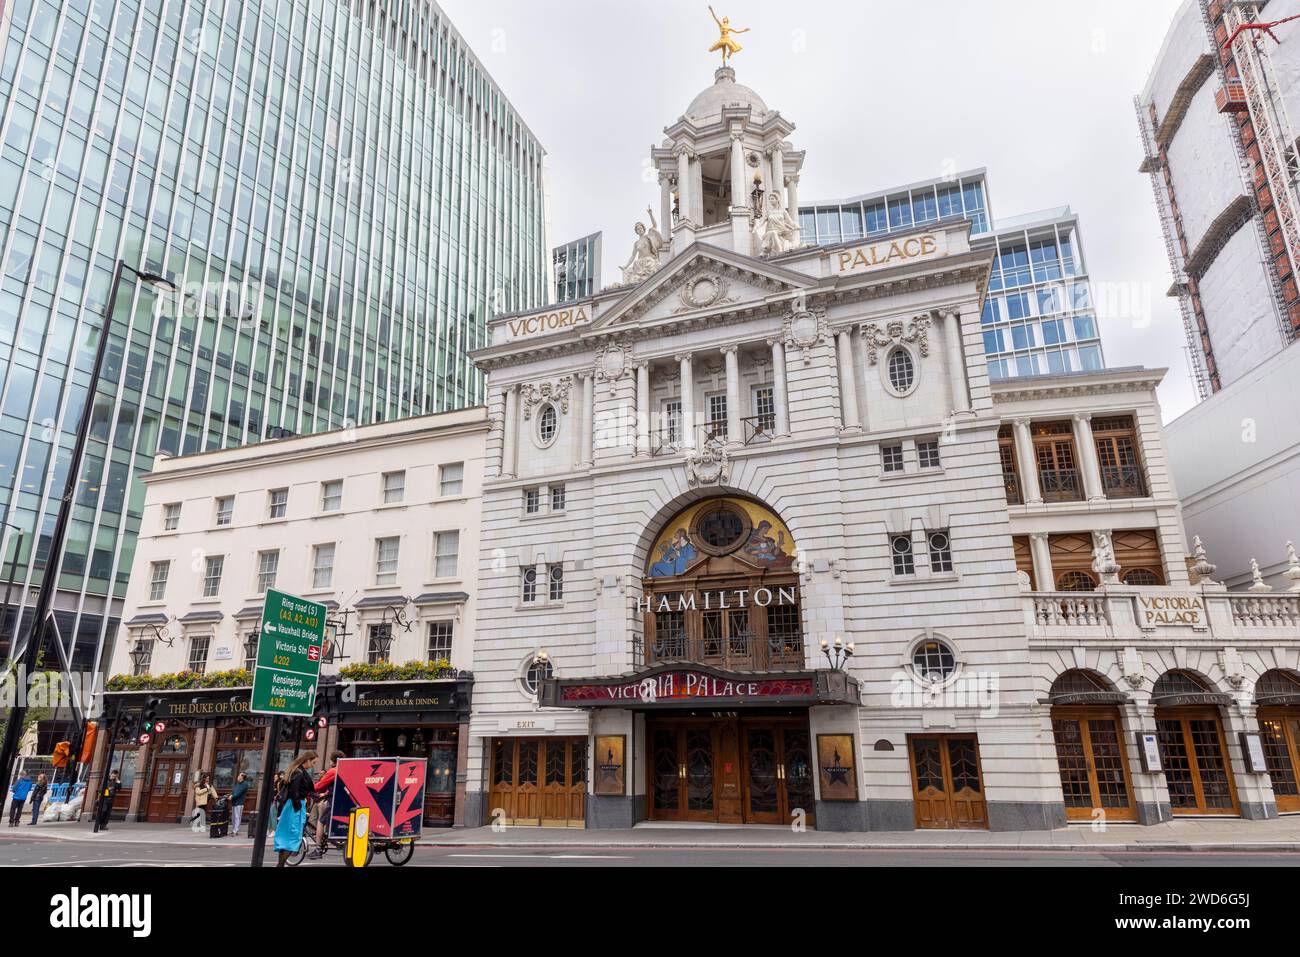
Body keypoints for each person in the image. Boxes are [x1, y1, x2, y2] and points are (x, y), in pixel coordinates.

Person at [274, 752, 319, 867]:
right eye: (313, 762)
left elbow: (301, 790)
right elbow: (295, 792)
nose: (313, 765)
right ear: (307, 760)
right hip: (295, 807)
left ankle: (280, 865)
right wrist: (299, 807)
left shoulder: (296, 771)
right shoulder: (299, 773)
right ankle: (280, 865)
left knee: (286, 839)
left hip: (290, 807)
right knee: (293, 839)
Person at [307, 751, 345, 859]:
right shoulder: (344, 769)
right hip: (341, 800)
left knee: (320, 821)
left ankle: (318, 849)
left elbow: (319, 785)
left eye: (330, 759)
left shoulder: (333, 771)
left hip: (333, 800)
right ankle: (331, 839)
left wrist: (308, 789)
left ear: (333, 760)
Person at [229, 772, 250, 837]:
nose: (238, 776)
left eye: (239, 775)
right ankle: (233, 830)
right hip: (234, 802)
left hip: (239, 802)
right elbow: (234, 791)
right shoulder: (238, 784)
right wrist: (231, 794)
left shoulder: (244, 784)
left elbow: (239, 792)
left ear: (242, 777)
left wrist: (232, 796)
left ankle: (235, 830)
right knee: (233, 817)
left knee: (237, 817)